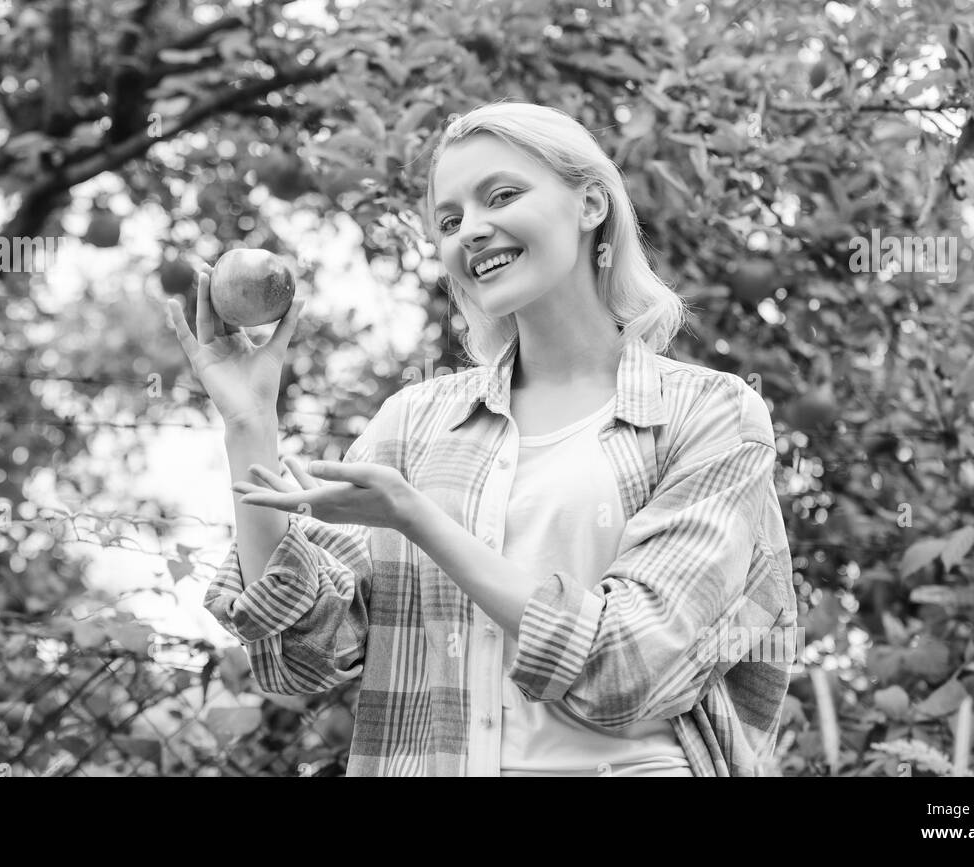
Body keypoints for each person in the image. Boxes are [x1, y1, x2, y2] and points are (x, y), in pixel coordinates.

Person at [164, 101, 797, 777]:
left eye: (502, 195)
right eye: (449, 219)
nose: (471, 230)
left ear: (590, 206)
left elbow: (630, 664)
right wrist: (249, 423)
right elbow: (299, 654)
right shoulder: (415, 423)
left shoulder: (711, 414)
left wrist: (417, 518)